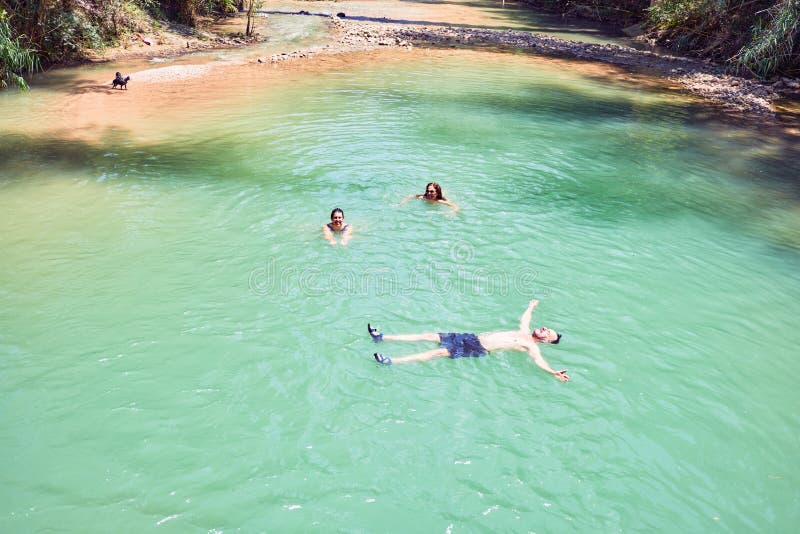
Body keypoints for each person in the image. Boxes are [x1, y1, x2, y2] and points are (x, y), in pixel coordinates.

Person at [368, 299, 568, 382]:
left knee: (436, 352)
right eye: (546, 327)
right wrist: (531, 306)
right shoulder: (524, 331)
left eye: (547, 333)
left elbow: (539, 361)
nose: (544, 329)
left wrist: (552, 372)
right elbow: (526, 319)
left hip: (478, 348)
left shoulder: (530, 345)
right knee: (431, 336)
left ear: (546, 341)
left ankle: (392, 361)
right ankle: (381, 337)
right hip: (471, 337)